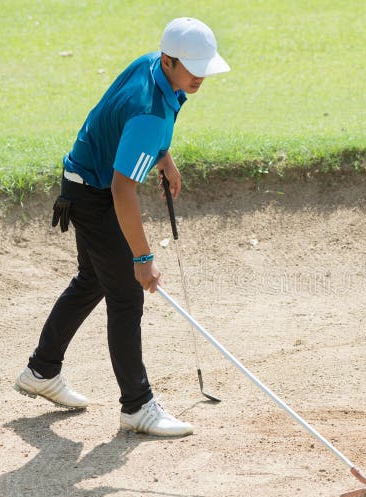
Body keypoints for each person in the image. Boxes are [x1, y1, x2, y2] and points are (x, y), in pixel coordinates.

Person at [13, 17, 230, 437]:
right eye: (193, 67)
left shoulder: (154, 67)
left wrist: (163, 156)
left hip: (81, 179)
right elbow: (122, 189)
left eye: (205, 67)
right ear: (168, 60)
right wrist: (143, 258)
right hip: (94, 193)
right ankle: (137, 406)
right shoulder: (150, 111)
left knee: (92, 279)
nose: (200, 76)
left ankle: (41, 370)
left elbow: (125, 125)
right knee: (128, 295)